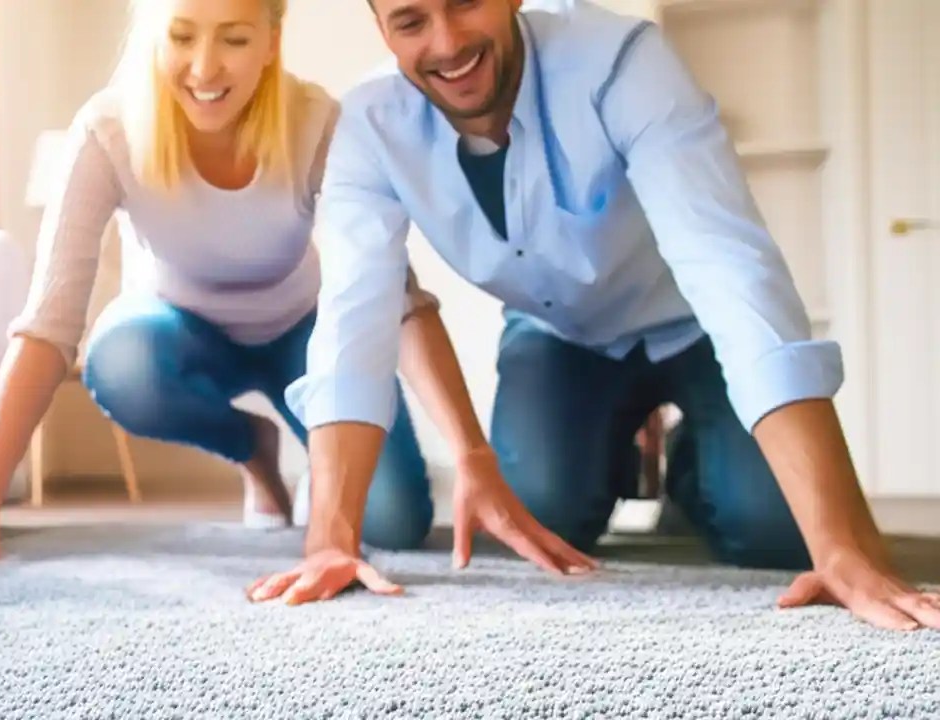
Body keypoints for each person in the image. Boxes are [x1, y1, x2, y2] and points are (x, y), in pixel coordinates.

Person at [248, 0, 940, 631]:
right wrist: (330, 545)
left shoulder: (624, 63)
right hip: (562, 339)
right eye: (410, 21)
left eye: (466, 4)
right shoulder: (371, 124)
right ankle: (613, 446)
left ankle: (693, 465)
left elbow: (731, 273)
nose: (447, 42)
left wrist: (843, 548)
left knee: (772, 529)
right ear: (381, 30)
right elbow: (353, 315)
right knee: (538, 519)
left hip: (692, 326)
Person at [0, 0, 595, 575]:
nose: (205, 68)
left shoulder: (317, 123)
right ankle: (252, 449)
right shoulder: (107, 131)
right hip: (178, 332)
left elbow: (400, 299)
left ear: (271, 40)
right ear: (154, 34)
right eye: (181, 37)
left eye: (233, 39)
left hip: (304, 337)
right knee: (121, 362)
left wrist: (472, 454)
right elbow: (48, 324)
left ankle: (294, 446)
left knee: (394, 521)